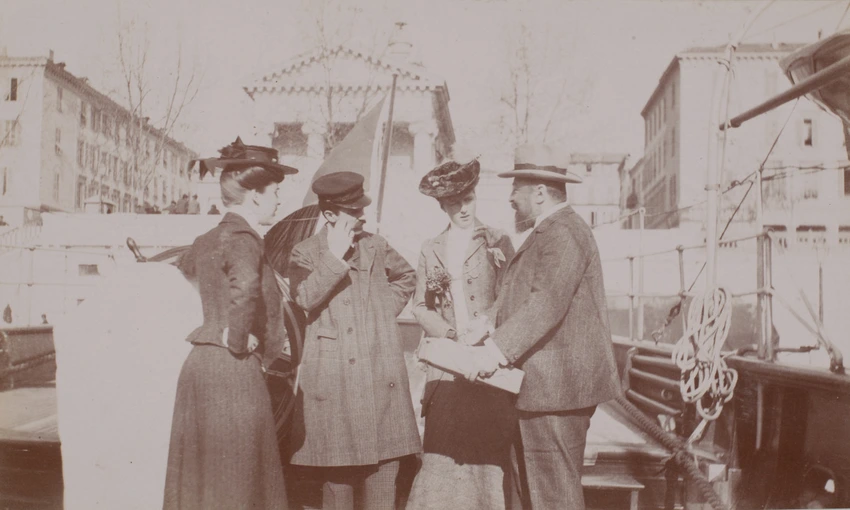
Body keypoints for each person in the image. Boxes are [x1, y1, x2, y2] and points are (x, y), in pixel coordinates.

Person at [473, 144, 621, 510]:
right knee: (534, 492)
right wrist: (485, 322)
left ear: (539, 192)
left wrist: (494, 351)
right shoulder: (550, 232)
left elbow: (547, 302)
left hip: (558, 390)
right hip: (546, 389)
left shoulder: (563, 232)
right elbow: (526, 295)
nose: (511, 198)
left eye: (516, 188)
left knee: (553, 497)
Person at [163, 137, 298, 510]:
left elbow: (187, 272)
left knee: (204, 480)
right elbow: (246, 287)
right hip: (232, 368)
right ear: (255, 196)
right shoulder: (244, 238)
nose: (278, 201)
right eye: (274, 193)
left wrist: (215, 322)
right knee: (240, 479)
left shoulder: (206, 238)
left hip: (200, 365)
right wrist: (237, 337)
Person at [287, 171, 419, 510]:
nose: (362, 216)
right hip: (335, 384)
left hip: (378, 373)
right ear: (329, 215)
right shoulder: (304, 253)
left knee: (382, 477)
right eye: (353, 212)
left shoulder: (375, 244)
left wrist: (381, 312)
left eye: (362, 209)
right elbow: (303, 297)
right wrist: (334, 257)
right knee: (337, 482)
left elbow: (406, 276)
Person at [406, 159, 517, 510]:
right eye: (454, 203)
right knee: (443, 455)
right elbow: (420, 306)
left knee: (488, 459)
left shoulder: (497, 240)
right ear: (442, 206)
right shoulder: (431, 247)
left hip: (489, 361)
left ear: (475, 195)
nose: (463, 209)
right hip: (449, 366)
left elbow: (511, 292)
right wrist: (450, 333)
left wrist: (486, 323)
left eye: (467, 199)